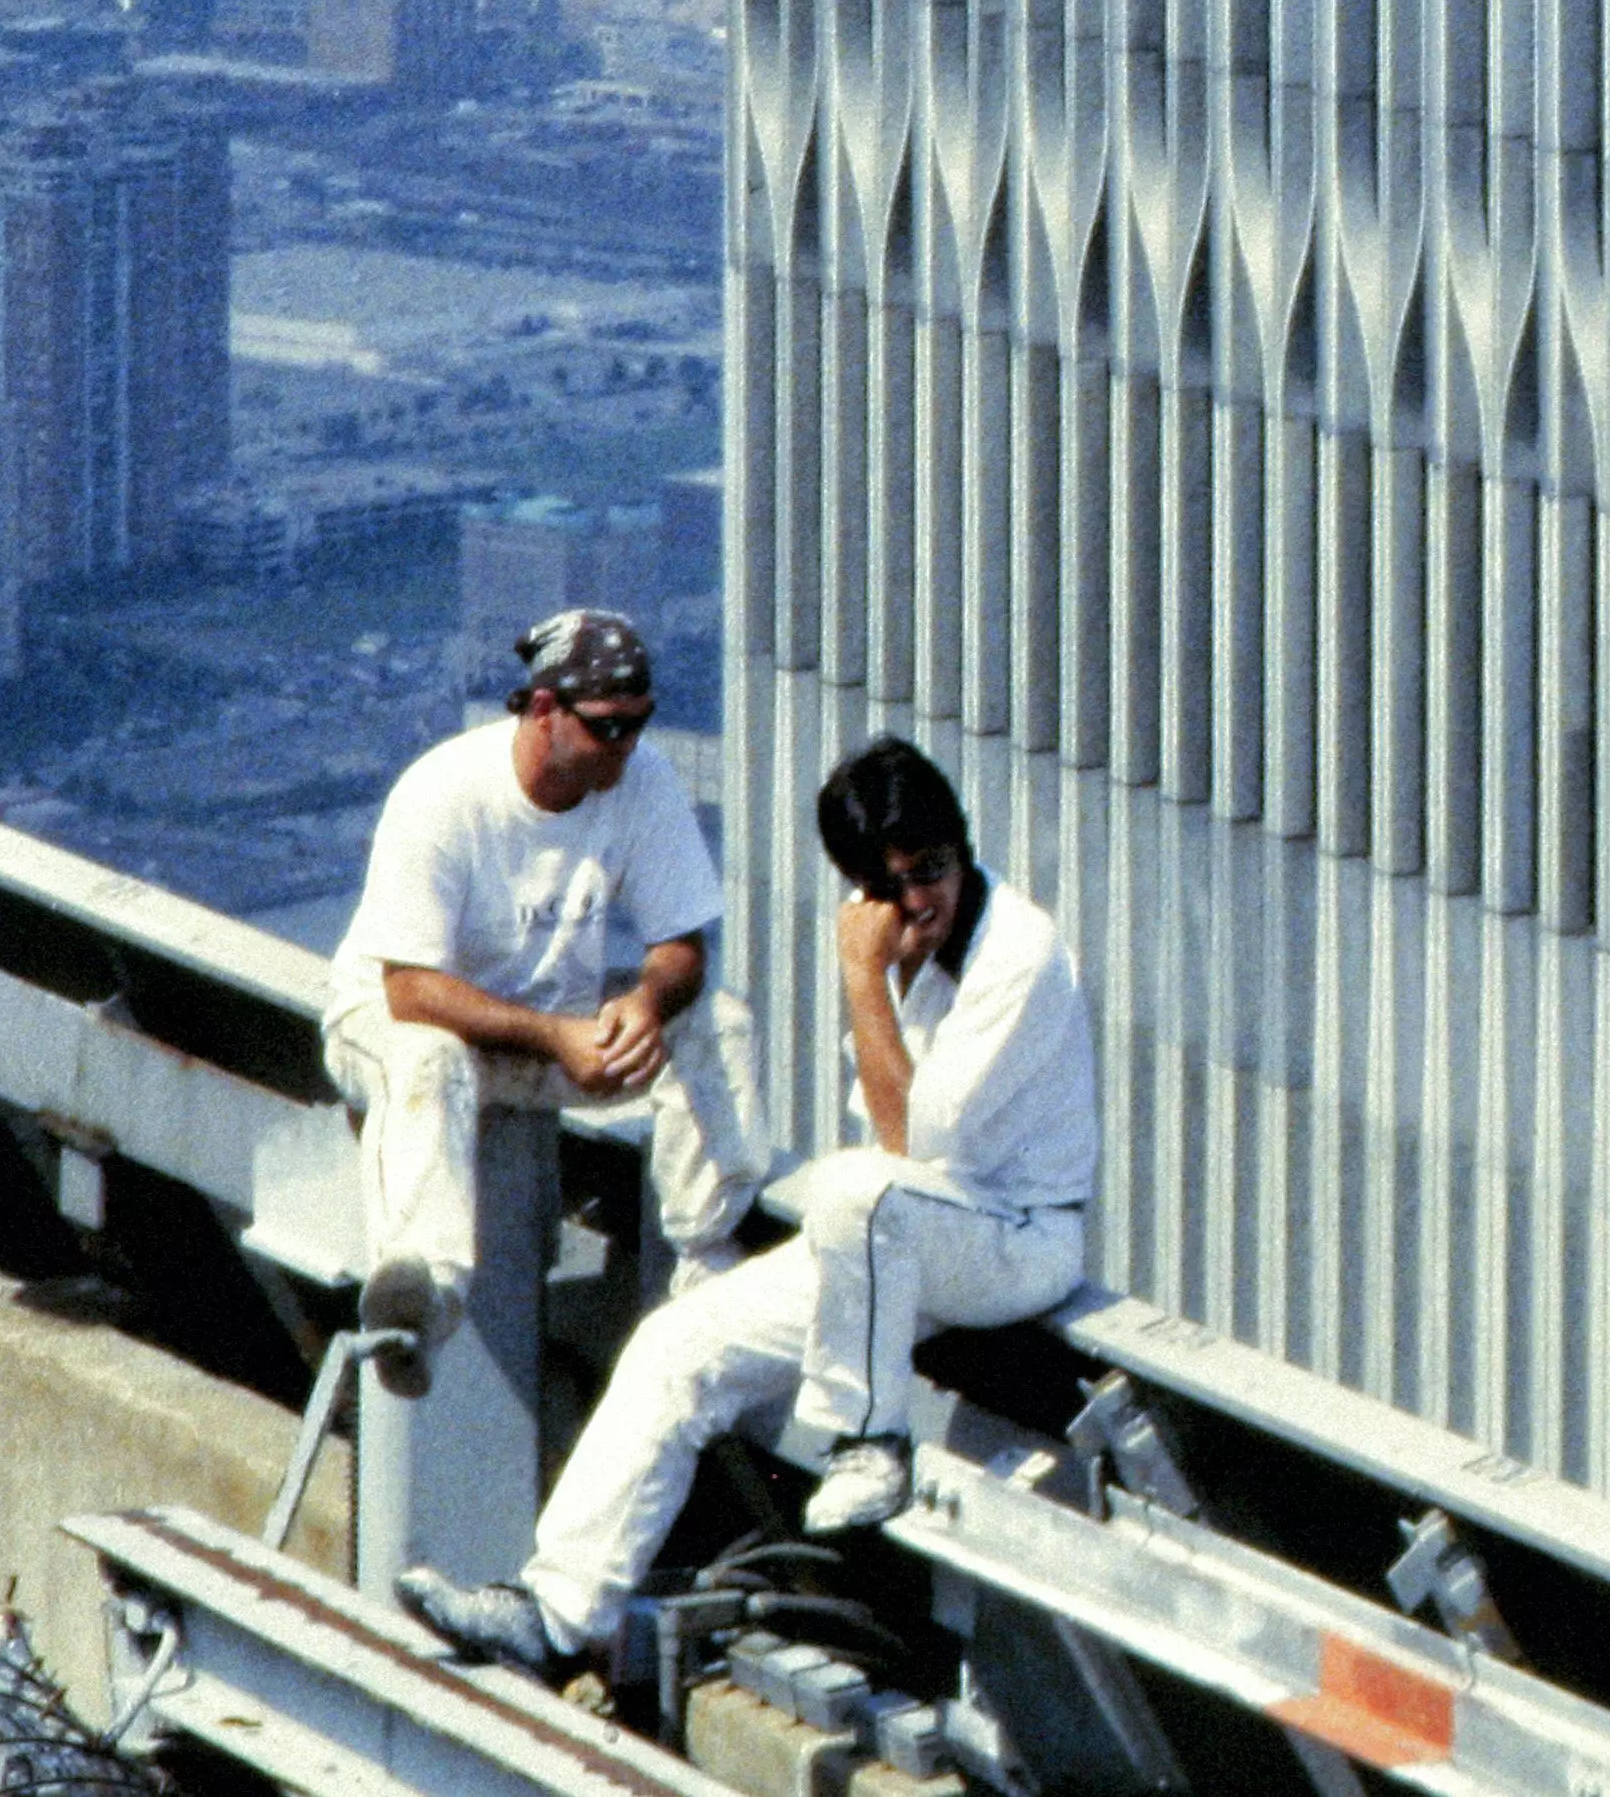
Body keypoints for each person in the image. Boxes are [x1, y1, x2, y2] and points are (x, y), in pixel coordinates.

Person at [400, 736, 1098, 1678]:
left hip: (1015, 1237)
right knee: (676, 1347)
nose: (915, 901)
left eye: (930, 869)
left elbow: (903, 1147)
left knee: (858, 1184)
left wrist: (860, 979)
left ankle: (871, 1442)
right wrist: (877, 973)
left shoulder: (1019, 954)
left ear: (961, 847)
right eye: (886, 885)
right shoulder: (906, 942)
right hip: (901, 1233)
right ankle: (555, 1610)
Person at [326, 608, 762, 1396]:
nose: (625, 744)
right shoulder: (443, 795)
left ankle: (703, 1259)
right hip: (396, 1024)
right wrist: (556, 1033)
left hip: (541, 1029)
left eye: (638, 723)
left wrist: (648, 1001)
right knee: (431, 1060)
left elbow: (683, 947)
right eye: (606, 727)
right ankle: (421, 1296)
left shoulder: (643, 782)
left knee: (718, 1022)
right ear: (543, 709)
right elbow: (410, 988)